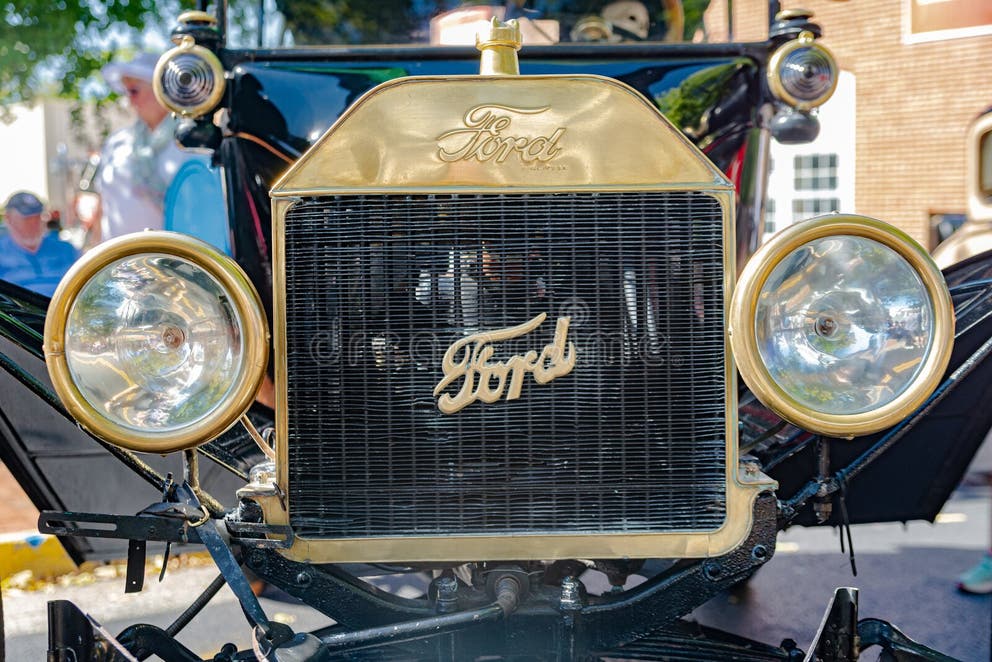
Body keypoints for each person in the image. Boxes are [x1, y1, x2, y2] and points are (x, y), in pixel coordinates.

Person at [93, 52, 203, 242]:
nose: (129, 100)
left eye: (134, 91)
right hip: (117, 264)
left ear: (162, 91)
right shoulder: (116, 142)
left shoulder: (192, 144)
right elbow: (103, 205)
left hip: (173, 263)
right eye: (126, 92)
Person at [0, 191, 79, 297]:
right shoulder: (2, 252)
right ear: (8, 219)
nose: (34, 224)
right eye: (26, 220)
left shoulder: (66, 249)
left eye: (37, 217)